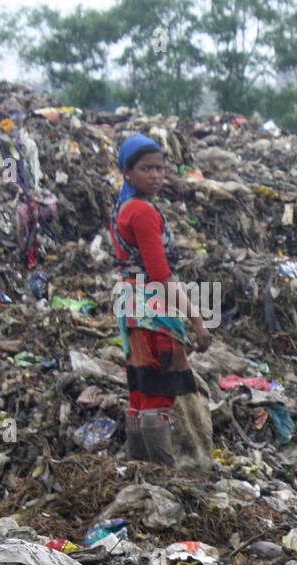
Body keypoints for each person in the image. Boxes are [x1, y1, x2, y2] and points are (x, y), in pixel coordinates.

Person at [111, 134, 210, 466]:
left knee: (140, 389)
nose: (155, 175)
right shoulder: (141, 212)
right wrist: (197, 320)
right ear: (127, 172)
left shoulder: (124, 207)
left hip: (130, 302)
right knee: (158, 390)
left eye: (159, 168)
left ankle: (138, 468)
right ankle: (164, 474)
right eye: (145, 168)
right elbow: (160, 273)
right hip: (152, 305)